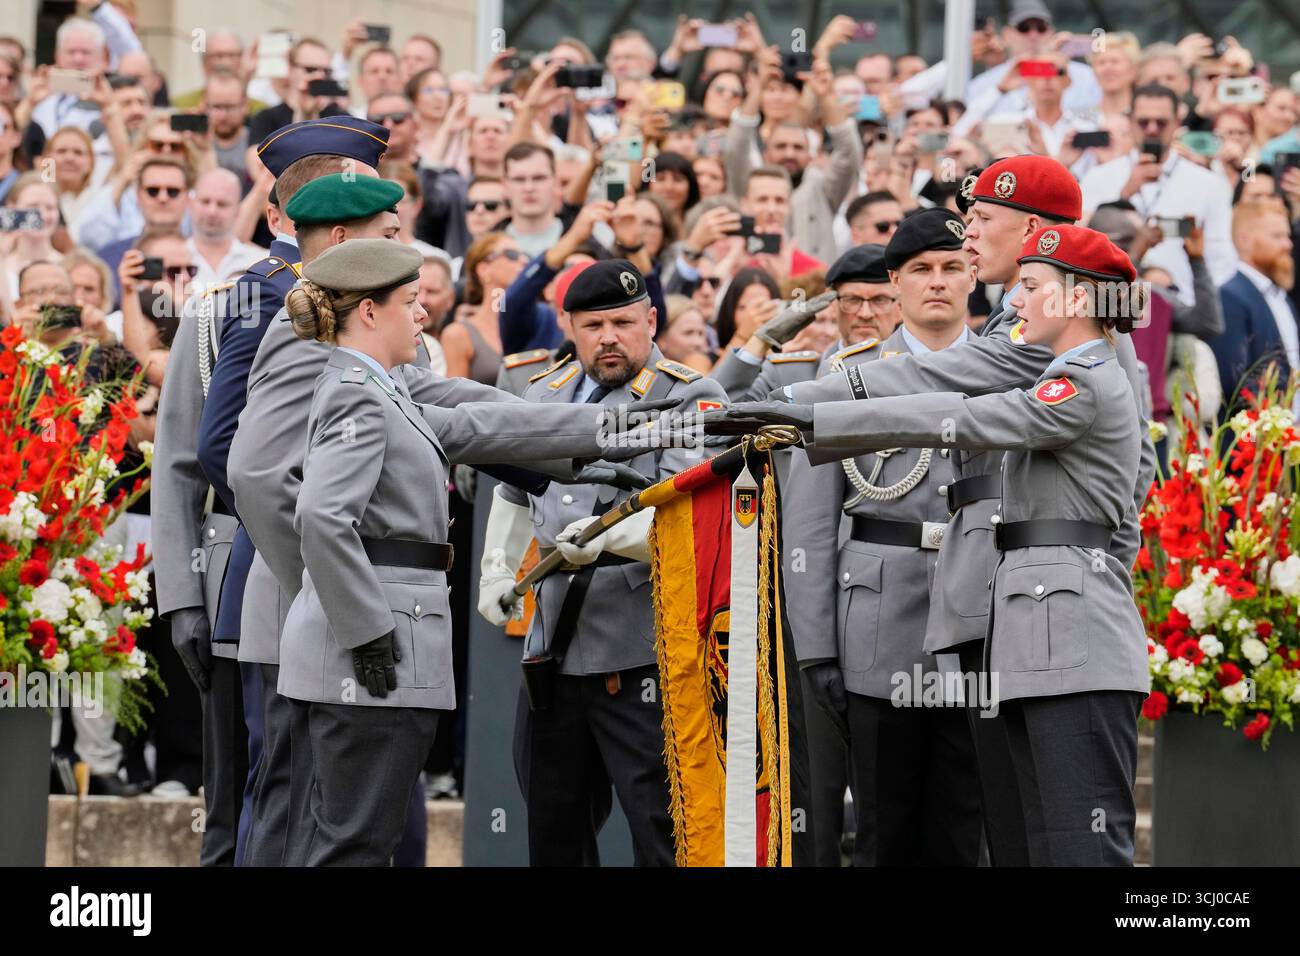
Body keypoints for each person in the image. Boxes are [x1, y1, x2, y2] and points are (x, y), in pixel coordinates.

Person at [751, 155, 1153, 865]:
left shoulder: (1052, 348)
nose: (969, 239)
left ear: (1034, 232)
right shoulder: (1048, 334)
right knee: (1010, 831)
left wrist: (801, 408)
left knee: (1053, 837)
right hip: (1002, 615)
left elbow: (944, 390)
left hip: (1040, 615)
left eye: (982, 222)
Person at [275, 241, 661, 865]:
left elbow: (491, 422)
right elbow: (321, 518)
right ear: (369, 313)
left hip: (380, 643)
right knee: (354, 843)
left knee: (342, 838)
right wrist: (367, 630)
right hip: (372, 649)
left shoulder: (386, 387)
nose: (425, 314)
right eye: (410, 302)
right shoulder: (357, 392)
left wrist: (630, 430)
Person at [476, 259, 728, 866]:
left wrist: (608, 537)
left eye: (622, 321)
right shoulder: (543, 392)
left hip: (647, 654)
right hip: (554, 655)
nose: (608, 337)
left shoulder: (691, 395)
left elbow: (689, 517)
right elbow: (515, 488)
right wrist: (495, 567)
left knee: (665, 835)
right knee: (553, 832)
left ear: (652, 320)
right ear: (570, 326)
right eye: (593, 325)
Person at [781, 210, 984, 866]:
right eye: (920, 270)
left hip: (978, 629)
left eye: (953, 268)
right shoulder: (850, 379)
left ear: (974, 277)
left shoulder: (1008, 369)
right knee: (882, 833)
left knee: (964, 829)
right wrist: (814, 650)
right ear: (894, 284)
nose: (937, 283)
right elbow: (810, 524)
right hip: (876, 628)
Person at [1080, 83, 1238, 301]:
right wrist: (1123, 196)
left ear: (1177, 124)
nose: (1152, 129)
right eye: (1143, 122)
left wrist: (1196, 305)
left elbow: (1221, 255)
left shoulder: (1209, 184)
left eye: (1161, 123)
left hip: (1182, 307)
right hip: (1111, 306)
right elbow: (1083, 243)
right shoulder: (1098, 177)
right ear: (1130, 121)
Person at [724, 44, 861, 266]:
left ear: (810, 155)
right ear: (766, 153)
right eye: (781, 146)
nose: (789, 153)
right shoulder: (751, 182)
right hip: (757, 291)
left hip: (815, 292)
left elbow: (849, 154)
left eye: (798, 148)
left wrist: (825, 96)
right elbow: (736, 148)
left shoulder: (823, 189)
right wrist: (757, 87)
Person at [1206, 198, 1296, 413]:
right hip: (1255, 439)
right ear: (1245, 240)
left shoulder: (1281, 297)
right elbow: (1233, 381)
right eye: (1277, 236)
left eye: (1288, 236)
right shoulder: (1229, 297)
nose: (1288, 244)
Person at [188, 168, 266, 288]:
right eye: (205, 201)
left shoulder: (261, 263)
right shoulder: (172, 261)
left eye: (222, 204)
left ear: (238, 210)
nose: (212, 211)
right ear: (191, 203)